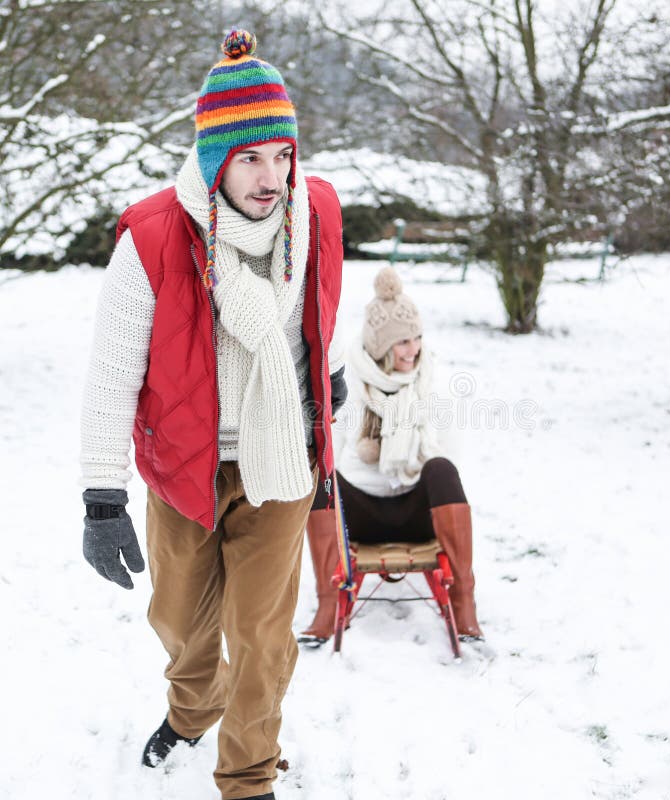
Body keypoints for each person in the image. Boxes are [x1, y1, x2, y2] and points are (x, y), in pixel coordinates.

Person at [79, 30, 346, 800]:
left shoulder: (315, 213)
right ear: (213, 158)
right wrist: (102, 499)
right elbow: (112, 375)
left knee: (260, 634)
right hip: (184, 467)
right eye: (250, 158)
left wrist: (329, 380)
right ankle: (194, 709)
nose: (272, 177)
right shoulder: (154, 237)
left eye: (283, 155)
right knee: (182, 627)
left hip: (281, 458)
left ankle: (249, 776)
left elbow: (322, 306)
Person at [299, 266, 483, 647]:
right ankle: (328, 601)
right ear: (381, 347)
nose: (414, 349)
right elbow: (336, 452)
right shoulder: (351, 388)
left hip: (418, 512)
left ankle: (464, 599)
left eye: (417, 338)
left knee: (442, 468)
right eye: (402, 342)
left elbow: (451, 457)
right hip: (359, 516)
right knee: (322, 477)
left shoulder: (432, 386)